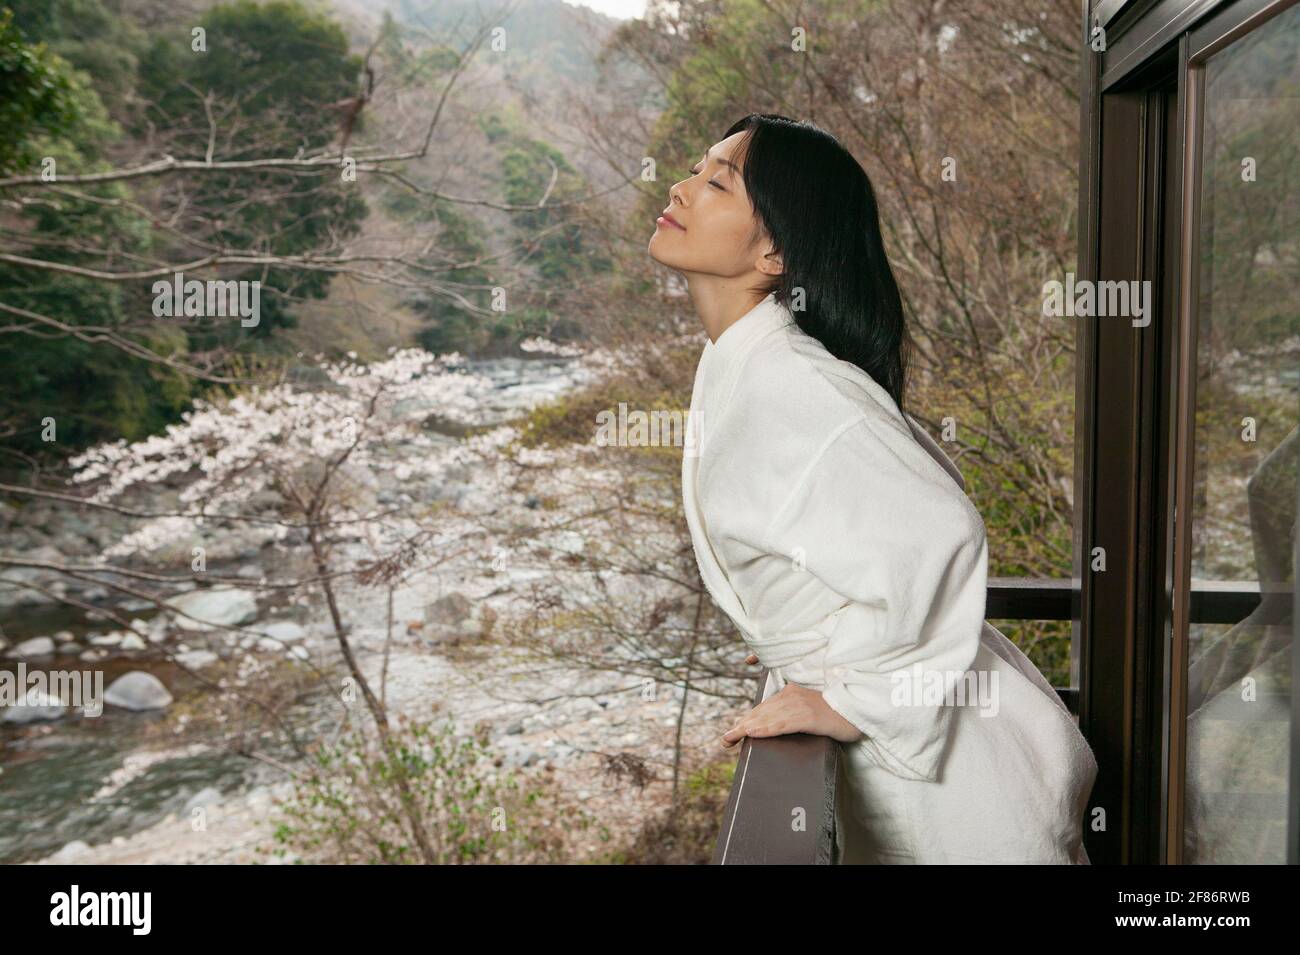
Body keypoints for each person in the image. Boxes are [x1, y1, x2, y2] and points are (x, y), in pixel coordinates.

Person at [649, 113, 1098, 863]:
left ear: (775, 250)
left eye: (717, 181)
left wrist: (849, 697)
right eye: (698, 170)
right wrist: (800, 618)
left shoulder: (790, 382)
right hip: (922, 752)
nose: (681, 186)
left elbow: (938, 530)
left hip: (952, 784)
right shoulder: (751, 363)